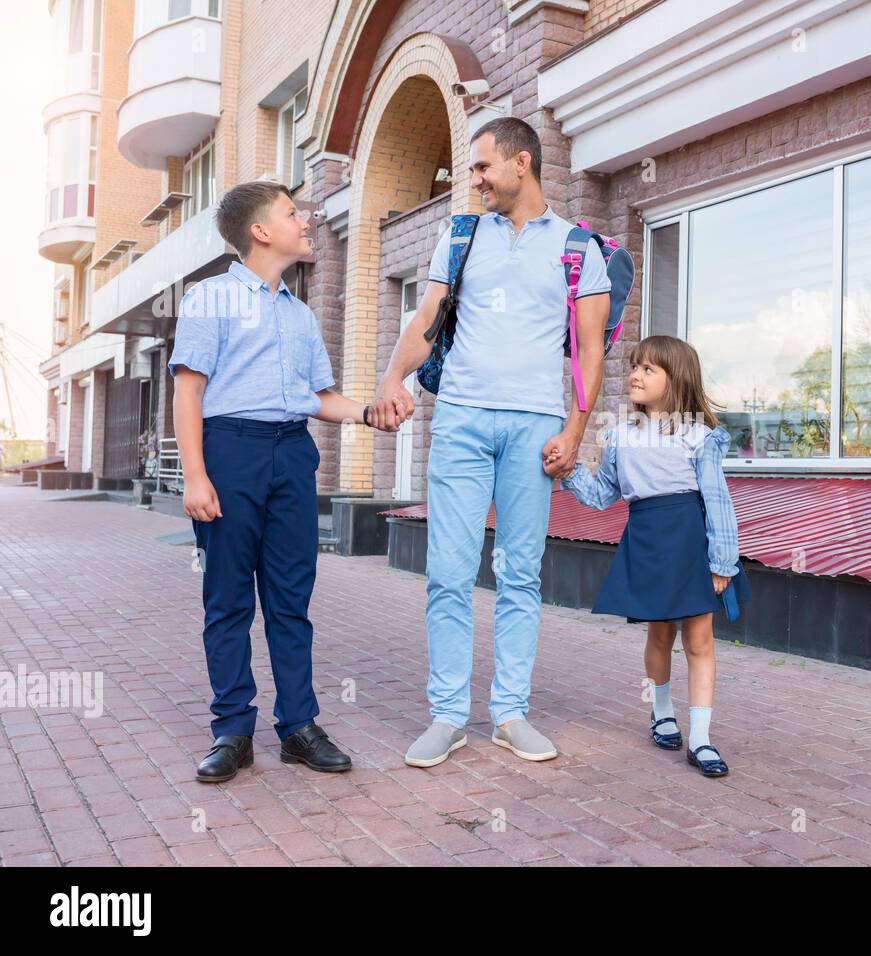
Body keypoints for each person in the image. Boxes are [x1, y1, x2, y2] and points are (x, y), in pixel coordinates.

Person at [370, 117, 612, 767]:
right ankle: (447, 715)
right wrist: (393, 377)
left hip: (535, 428)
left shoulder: (576, 248)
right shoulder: (459, 235)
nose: (472, 180)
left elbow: (591, 351)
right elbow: (427, 319)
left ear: (521, 164)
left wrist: (574, 430)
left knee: (518, 575)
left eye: (481, 167)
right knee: (448, 573)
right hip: (461, 422)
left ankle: (510, 714)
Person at [169, 181, 403, 783]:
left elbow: (317, 397)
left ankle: (298, 725)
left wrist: (368, 413)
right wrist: (195, 476)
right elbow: (188, 390)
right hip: (230, 452)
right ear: (260, 231)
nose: (306, 220)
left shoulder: (299, 314)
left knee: (290, 600)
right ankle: (231, 730)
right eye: (293, 213)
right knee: (227, 599)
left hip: (291, 455)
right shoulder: (210, 298)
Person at [557, 335, 750, 777]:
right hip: (646, 540)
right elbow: (602, 494)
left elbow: (718, 500)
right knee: (659, 635)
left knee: (699, 642)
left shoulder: (699, 437)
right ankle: (661, 712)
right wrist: (566, 471)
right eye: (635, 367)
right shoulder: (620, 436)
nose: (635, 375)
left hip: (690, 544)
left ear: (674, 378)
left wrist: (723, 561)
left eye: (648, 369)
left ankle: (700, 739)